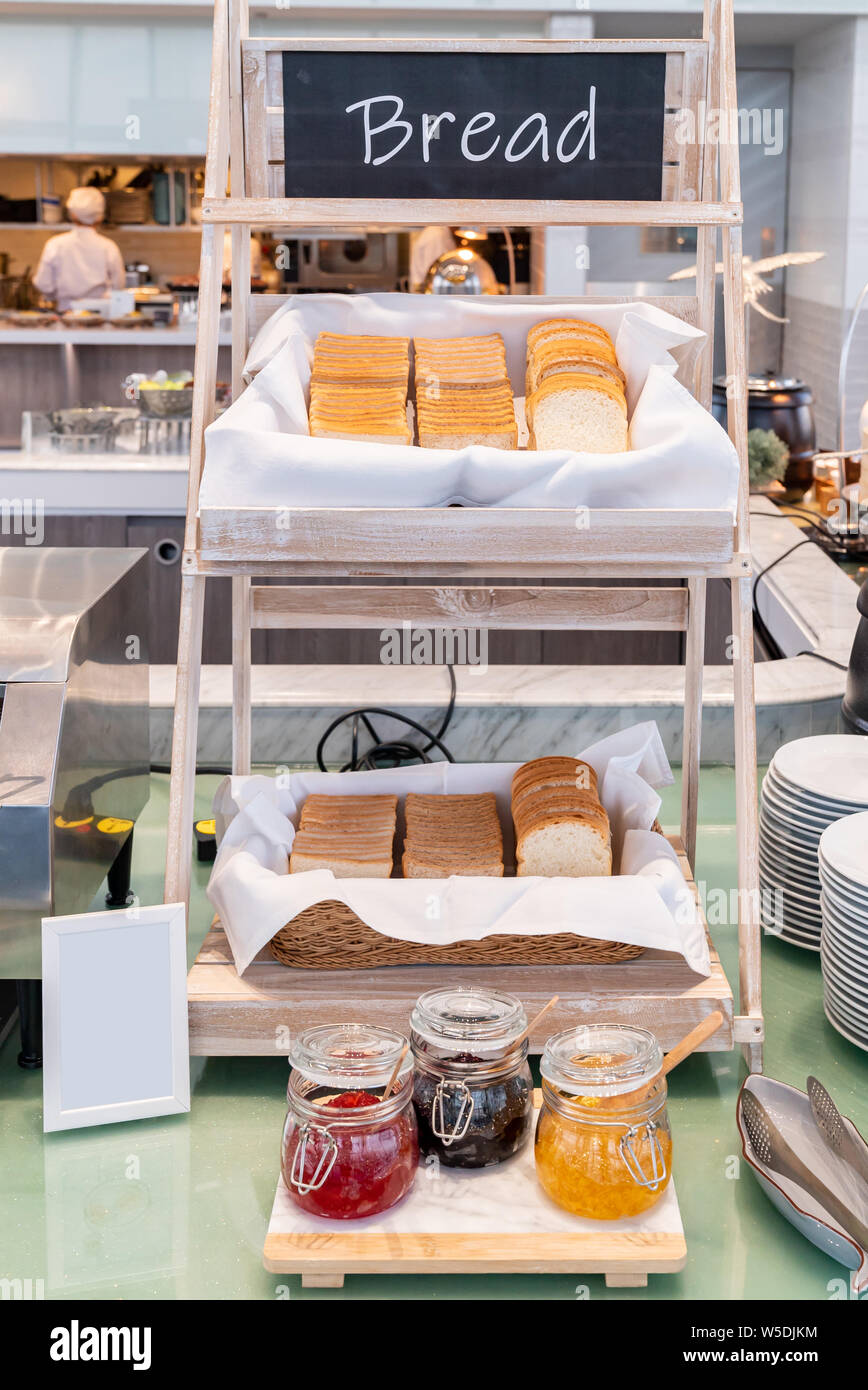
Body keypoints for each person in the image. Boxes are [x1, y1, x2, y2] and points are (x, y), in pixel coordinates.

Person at [33, 187, 125, 312]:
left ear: (72, 214)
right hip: (100, 315)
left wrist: (54, 297)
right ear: (100, 217)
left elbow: (43, 284)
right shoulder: (108, 246)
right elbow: (118, 286)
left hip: (66, 312)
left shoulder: (55, 244)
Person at [409, 226, 457, 291]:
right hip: (429, 293)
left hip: (431, 291)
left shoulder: (440, 233)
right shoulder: (436, 235)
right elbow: (434, 272)